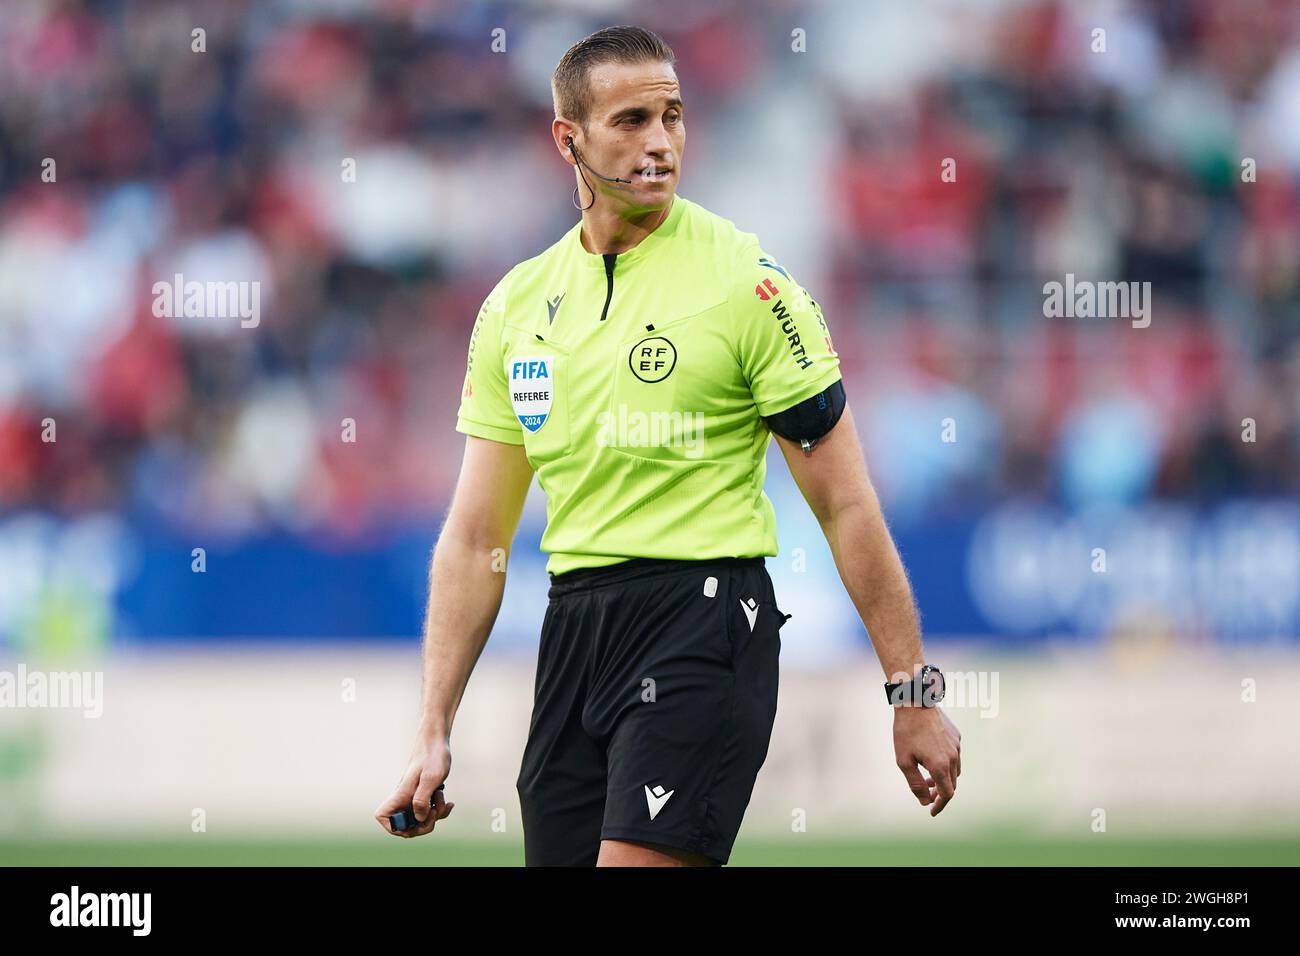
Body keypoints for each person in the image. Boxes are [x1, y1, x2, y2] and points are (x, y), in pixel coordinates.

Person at [376, 24, 960, 866]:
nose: (660, 142)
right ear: (567, 140)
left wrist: (911, 691)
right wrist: (432, 727)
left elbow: (846, 503)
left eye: (673, 116)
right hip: (574, 632)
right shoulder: (515, 309)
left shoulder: (749, 284)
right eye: (631, 121)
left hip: (707, 619)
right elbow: (476, 539)